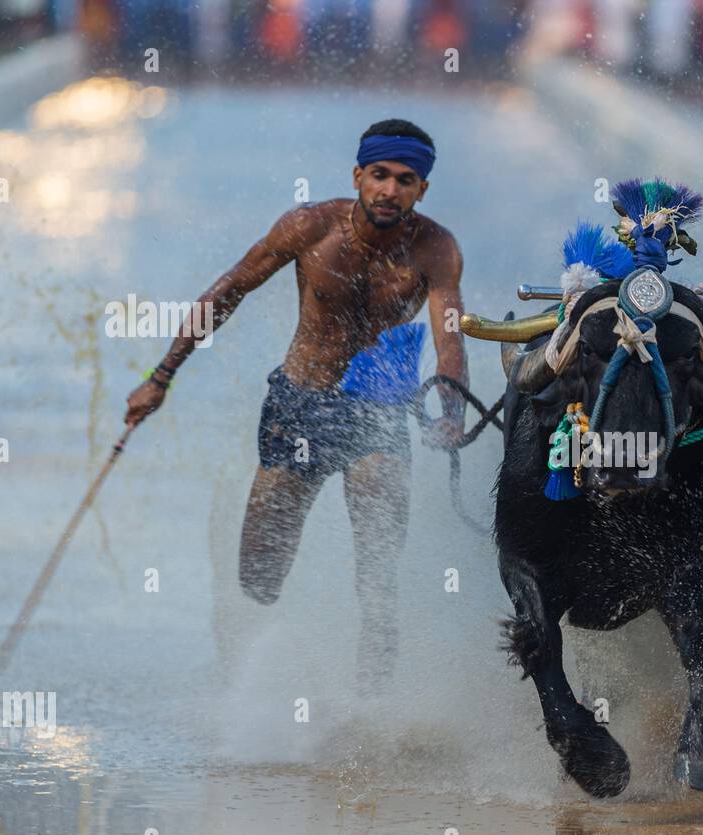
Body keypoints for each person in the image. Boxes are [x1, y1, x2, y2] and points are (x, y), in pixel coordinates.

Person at [124, 118, 468, 685]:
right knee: (259, 579)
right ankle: (260, 687)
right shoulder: (309, 226)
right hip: (298, 408)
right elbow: (228, 291)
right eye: (379, 175)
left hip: (377, 414)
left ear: (422, 190)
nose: (389, 190)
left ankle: (374, 719)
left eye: (405, 180)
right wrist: (161, 377)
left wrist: (451, 412)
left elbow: (449, 338)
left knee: (378, 580)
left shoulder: (436, 249)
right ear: (358, 175)